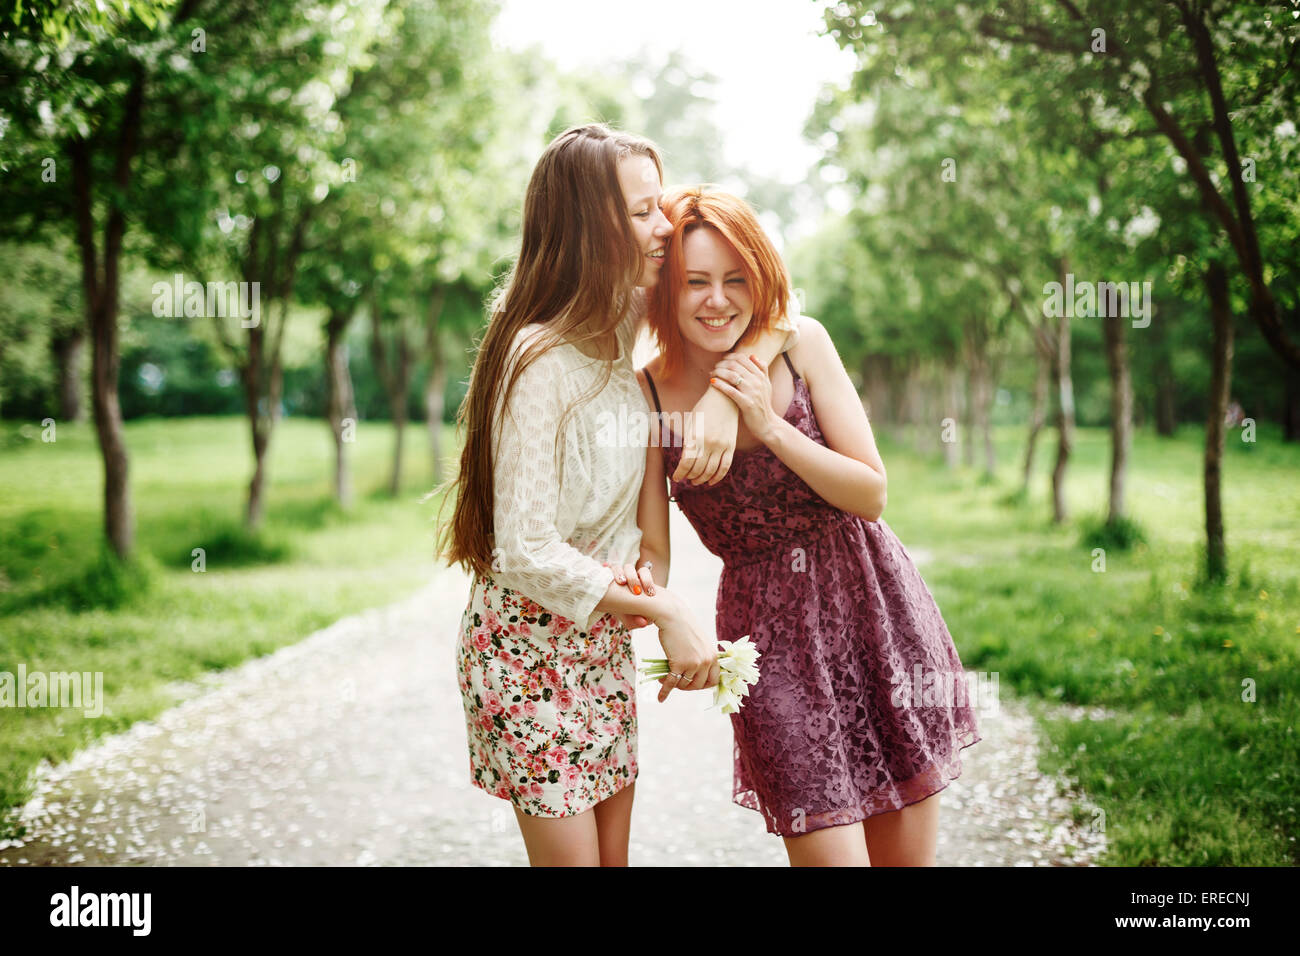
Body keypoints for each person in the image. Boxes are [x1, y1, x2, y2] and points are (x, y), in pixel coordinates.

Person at [437, 127, 797, 867]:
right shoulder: (537, 358)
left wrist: (729, 401)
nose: (663, 226)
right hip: (527, 657)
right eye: (642, 213)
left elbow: (778, 307)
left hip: (597, 648)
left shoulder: (618, 325)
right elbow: (524, 549)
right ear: (589, 227)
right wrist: (665, 610)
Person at [630, 186, 982, 866]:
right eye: (695, 281)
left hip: (874, 610)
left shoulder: (801, 344)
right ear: (665, 290)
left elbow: (871, 494)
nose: (717, 300)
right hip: (769, 645)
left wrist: (763, 423)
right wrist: (658, 613)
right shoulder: (647, 396)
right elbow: (654, 551)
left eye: (736, 279)